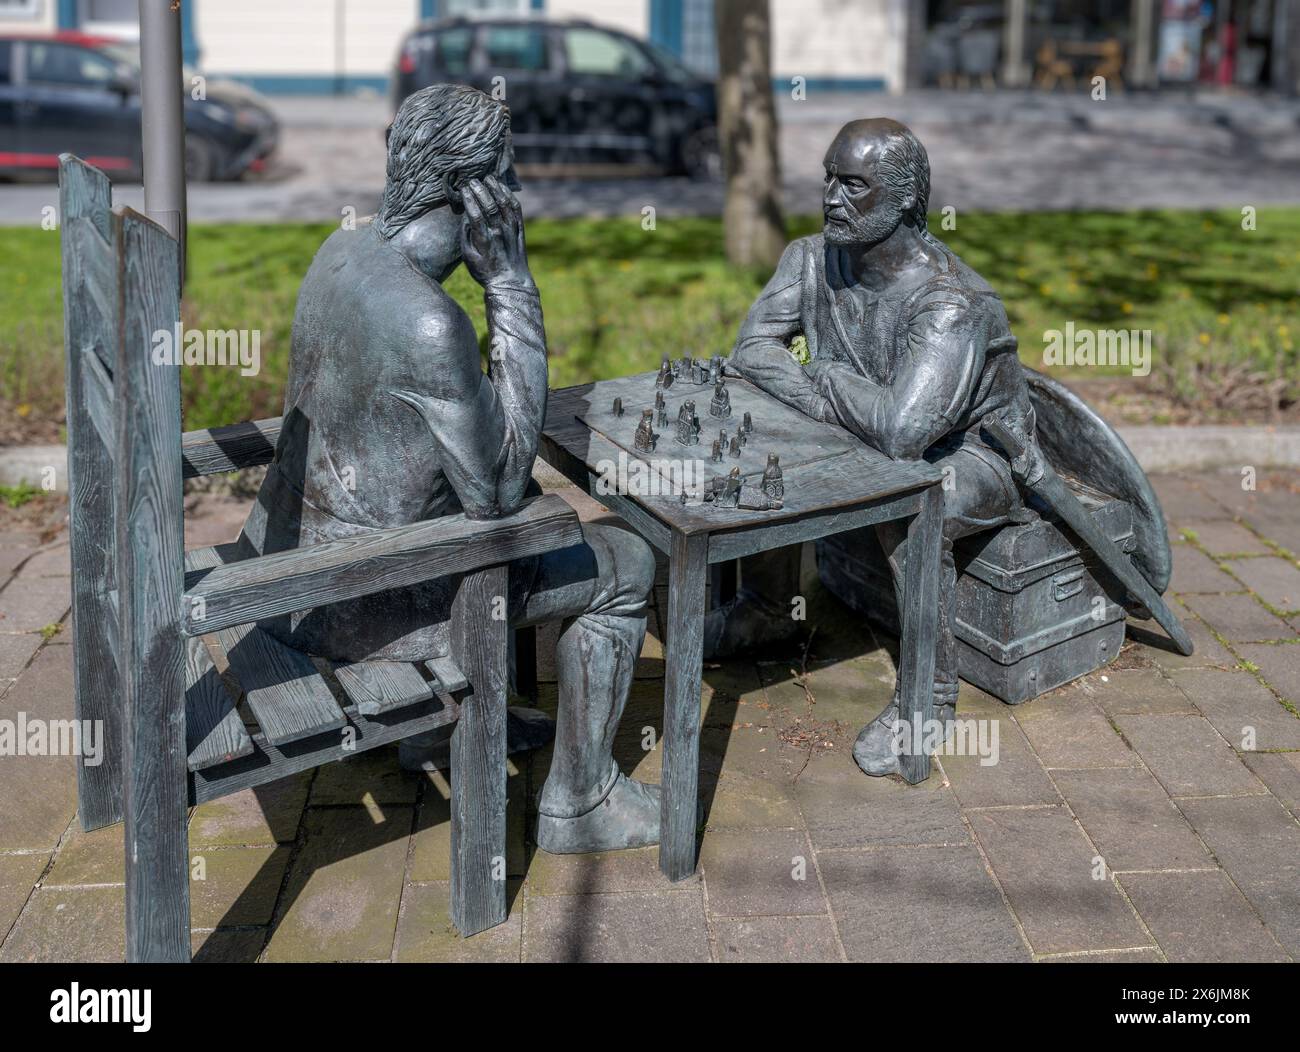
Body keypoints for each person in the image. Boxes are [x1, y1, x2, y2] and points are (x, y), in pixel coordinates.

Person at [238, 84, 661, 851]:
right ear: (480, 194)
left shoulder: (340, 249)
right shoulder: (433, 323)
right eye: (511, 176)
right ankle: (580, 802)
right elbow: (496, 494)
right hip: (367, 604)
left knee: (509, 498)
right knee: (626, 558)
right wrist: (508, 283)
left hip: (294, 563)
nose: (521, 193)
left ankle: (433, 735)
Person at [726, 118, 1038, 778]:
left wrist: (826, 375)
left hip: (978, 455)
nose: (831, 197)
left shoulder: (951, 303)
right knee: (774, 436)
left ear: (902, 202)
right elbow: (754, 348)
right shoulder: (810, 260)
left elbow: (904, 432)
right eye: (828, 180)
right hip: (871, 427)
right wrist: (822, 400)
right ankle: (766, 611)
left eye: (854, 185)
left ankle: (929, 697)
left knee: (911, 499)